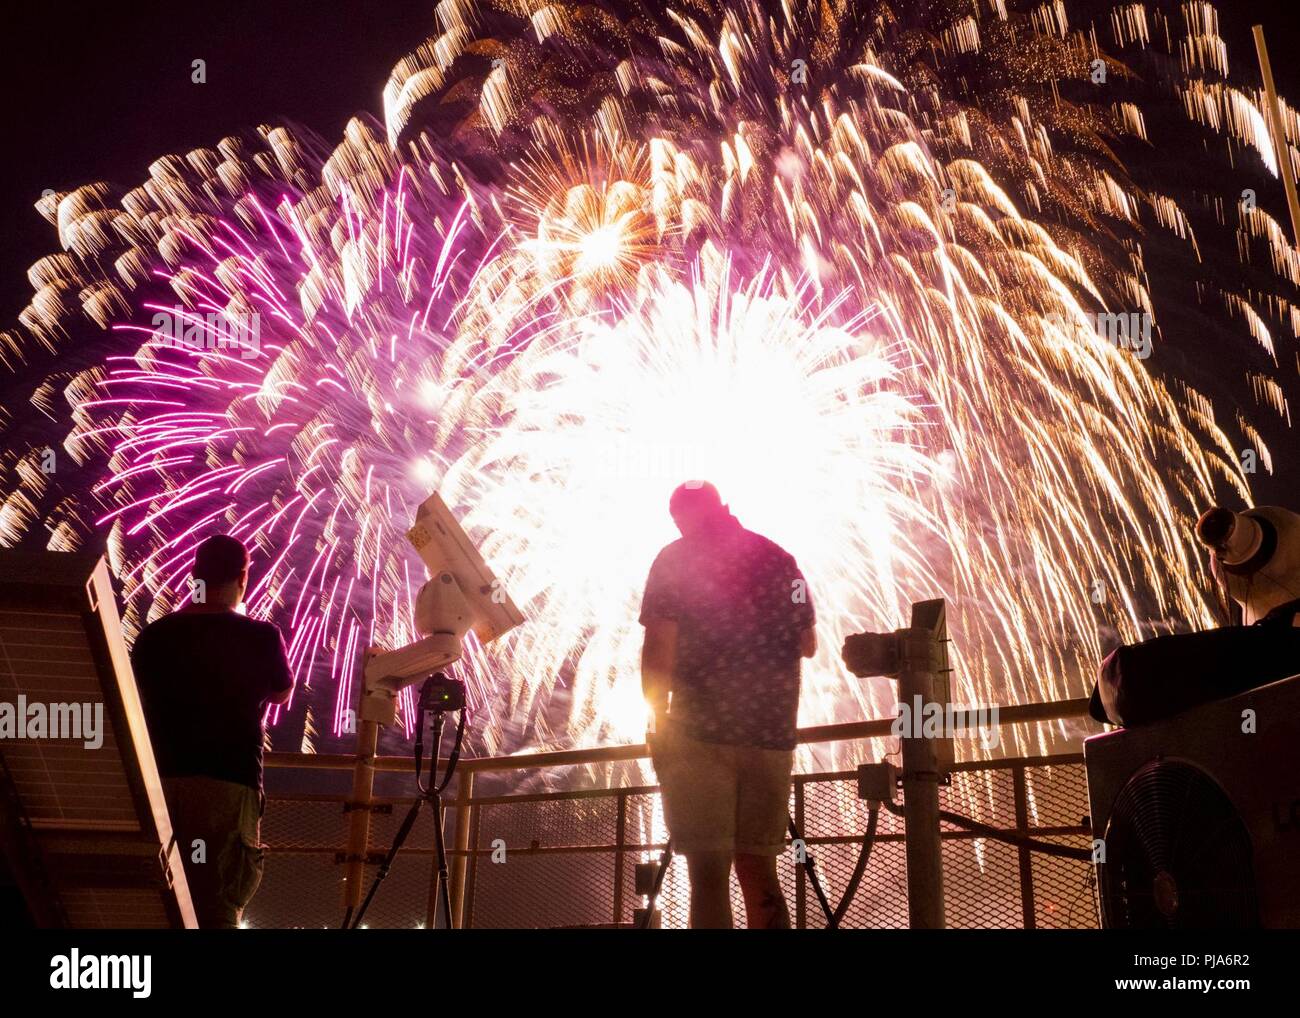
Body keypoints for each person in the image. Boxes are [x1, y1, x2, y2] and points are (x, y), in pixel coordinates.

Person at [640, 481, 816, 928]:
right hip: (771, 735)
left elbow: (659, 646)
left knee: (708, 874)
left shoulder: (675, 560)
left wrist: (657, 718)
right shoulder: (781, 560)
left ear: (682, 516)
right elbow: (808, 642)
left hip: (699, 733)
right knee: (759, 869)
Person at [131, 534, 294, 928]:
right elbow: (282, 690)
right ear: (243, 579)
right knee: (219, 903)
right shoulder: (260, 636)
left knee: (160, 900)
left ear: (194, 576)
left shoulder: (155, 635)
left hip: (160, 783)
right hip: (229, 785)